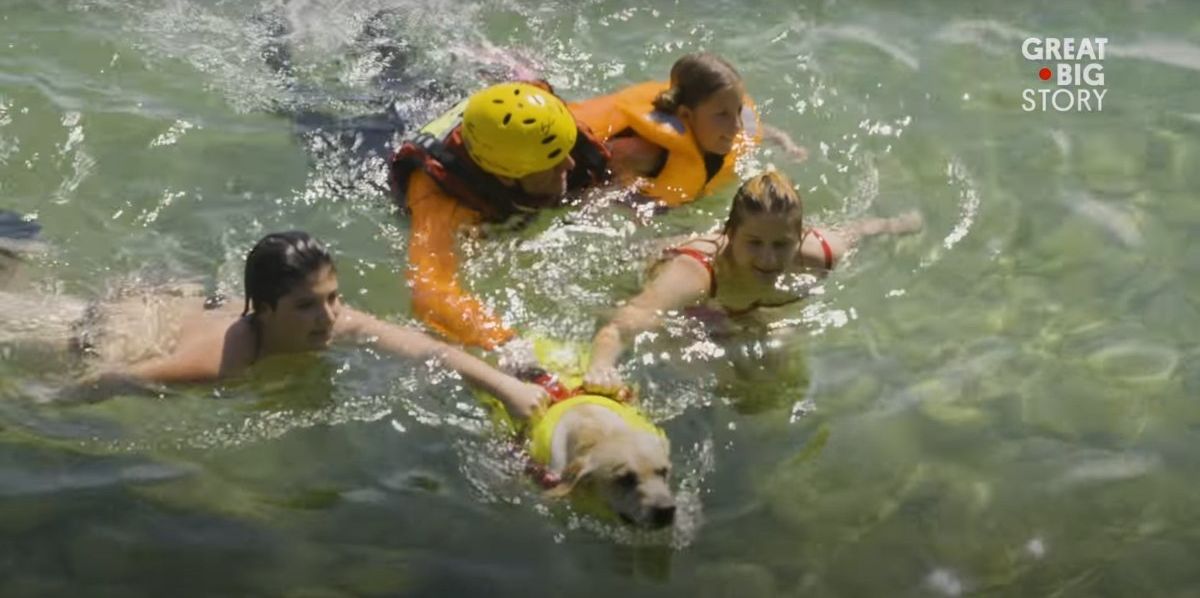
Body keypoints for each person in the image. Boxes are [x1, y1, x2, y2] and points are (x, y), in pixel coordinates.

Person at [1, 231, 547, 418]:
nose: (328, 316)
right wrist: (41, 402)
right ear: (264, 310)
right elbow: (116, 377)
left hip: (175, 302)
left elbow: (431, 351)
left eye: (332, 298)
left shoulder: (337, 322)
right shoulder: (222, 361)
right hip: (104, 328)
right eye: (306, 306)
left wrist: (509, 387)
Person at [582, 170, 923, 394]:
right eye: (755, 243)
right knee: (725, 378)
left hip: (740, 307)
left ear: (800, 236)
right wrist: (600, 367)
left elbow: (860, 230)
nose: (768, 259)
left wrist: (898, 225)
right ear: (729, 234)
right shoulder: (695, 272)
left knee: (778, 360)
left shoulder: (822, 253)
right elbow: (625, 323)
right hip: (684, 300)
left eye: (781, 244)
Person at [389, 81, 611, 354]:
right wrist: (511, 347)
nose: (569, 163)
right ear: (506, 177)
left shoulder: (539, 120)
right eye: (550, 164)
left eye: (566, 149)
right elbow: (431, 292)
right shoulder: (440, 201)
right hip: (381, 132)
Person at [569, 52, 807, 209]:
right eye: (722, 115)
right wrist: (639, 208)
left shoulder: (727, 125)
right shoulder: (646, 152)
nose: (736, 125)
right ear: (686, 116)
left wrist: (784, 142)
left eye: (738, 110)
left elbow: (754, 130)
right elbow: (597, 181)